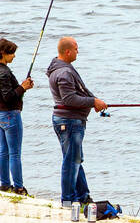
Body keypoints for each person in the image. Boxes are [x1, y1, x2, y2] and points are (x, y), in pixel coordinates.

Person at [46, 36, 107, 207]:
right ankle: (68, 200)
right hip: (69, 121)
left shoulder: (60, 68)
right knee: (71, 161)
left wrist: (93, 100)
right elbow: (69, 99)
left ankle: (83, 196)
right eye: (76, 48)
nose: (78, 51)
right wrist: (92, 102)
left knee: (75, 159)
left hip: (68, 120)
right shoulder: (64, 72)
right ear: (67, 51)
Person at [0, 37, 34, 195]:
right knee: (14, 153)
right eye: (11, 53)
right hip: (10, 115)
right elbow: (9, 96)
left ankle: (4, 184)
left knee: (4, 151)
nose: (14, 56)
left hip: (0, 114)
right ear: (3, 53)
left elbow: (4, 94)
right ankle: (19, 187)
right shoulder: (4, 72)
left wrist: (23, 87)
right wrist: (22, 87)